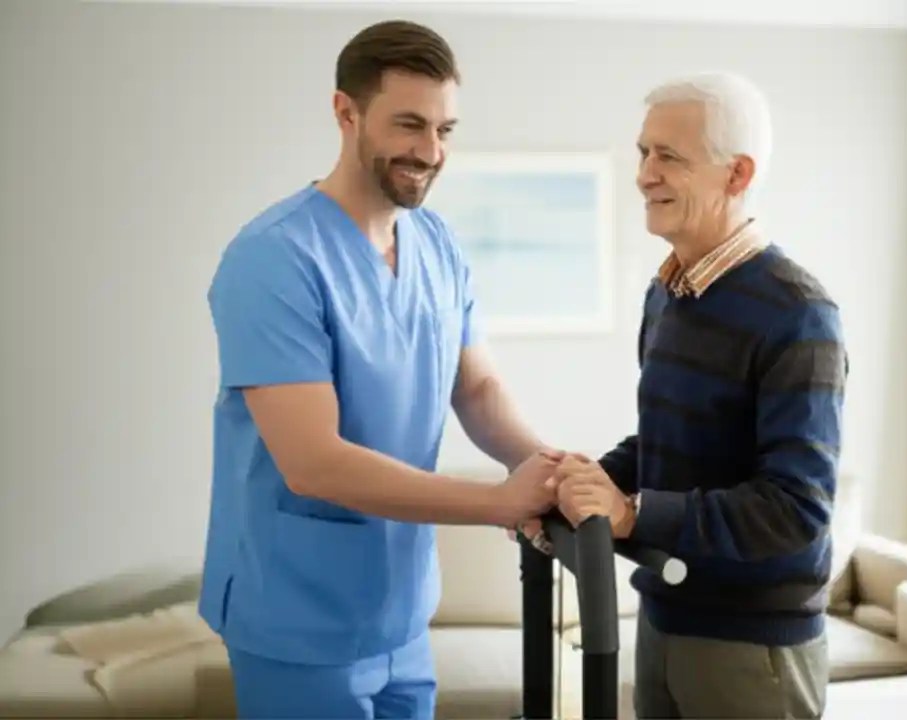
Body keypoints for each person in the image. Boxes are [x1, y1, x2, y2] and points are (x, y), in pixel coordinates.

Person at [199, 20, 560, 719]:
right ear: (346, 113)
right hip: (298, 618)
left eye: (445, 130)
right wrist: (497, 504)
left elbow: (477, 388)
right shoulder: (273, 259)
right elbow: (315, 464)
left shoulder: (437, 243)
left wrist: (548, 463)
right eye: (409, 125)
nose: (430, 152)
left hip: (401, 613)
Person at [551, 72, 847, 719]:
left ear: (737, 175)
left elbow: (796, 508)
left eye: (669, 157)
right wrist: (585, 479)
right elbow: (665, 443)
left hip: (752, 648)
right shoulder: (667, 294)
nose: (644, 174)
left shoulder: (798, 311)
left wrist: (632, 514)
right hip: (663, 616)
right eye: (643, 152)